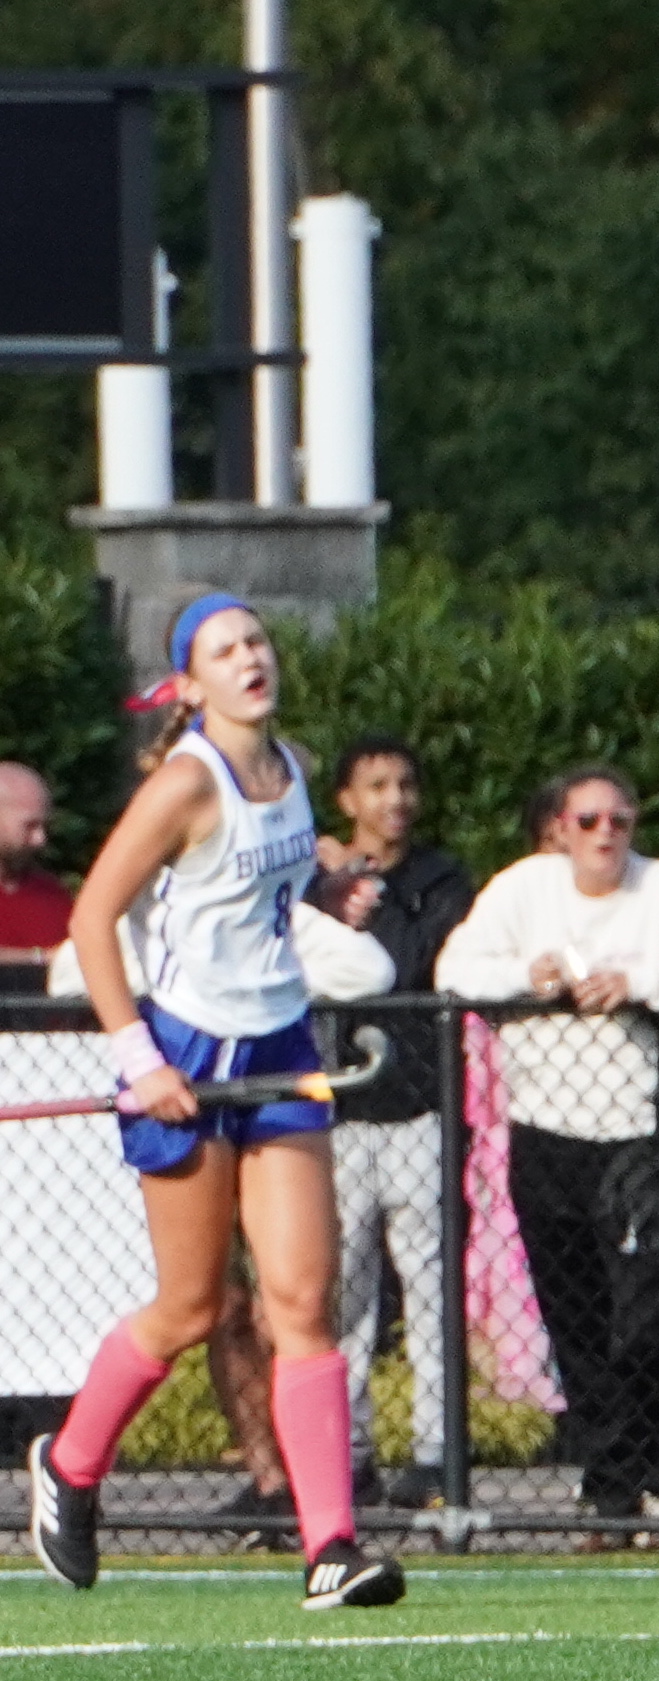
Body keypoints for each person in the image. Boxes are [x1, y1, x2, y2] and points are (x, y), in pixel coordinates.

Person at [26, 594, 405, 1608]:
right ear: (190, 684)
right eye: (225, 649)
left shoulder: (291, 769)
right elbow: (95, 913)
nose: (252, 658)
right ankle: (69, 1462)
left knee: (302, 1303)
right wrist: (136, 1055)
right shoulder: (186, 781)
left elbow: (270, 883)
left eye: (258, 641)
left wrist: (324, 892)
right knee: (192, 1305)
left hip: (279, 1049)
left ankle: (331, 1545)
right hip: (188, 1057)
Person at [437, 765, 659, 1527]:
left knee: (651, 1316)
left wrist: (642, 981)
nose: (604, 835)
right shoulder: (523, 890)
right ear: (559, 827)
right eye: (587, 821)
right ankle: (610, 1478)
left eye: (618, 820)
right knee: (575, 1317)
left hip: (648, 1139)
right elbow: (455, 971)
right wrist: (533, 977)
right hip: (549, 1133)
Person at [317, 735, 476, 1509]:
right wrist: (336, 886)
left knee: (428, 1280)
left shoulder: (440, 879)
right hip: (339, 1108)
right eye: (376, 784)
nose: (395, 799)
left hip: (420, 1100)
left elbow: (414, 962)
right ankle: (344, 1449)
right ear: (347, 800)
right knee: (340, 1286)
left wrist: (366, 903)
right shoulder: (319, 882)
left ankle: (437, 1446)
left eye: (406, 784)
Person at [0, 760, 69, 959]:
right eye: (29, 826)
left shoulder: (53, 894)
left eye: (44, 826)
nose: (40, 839)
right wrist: (40, 958)